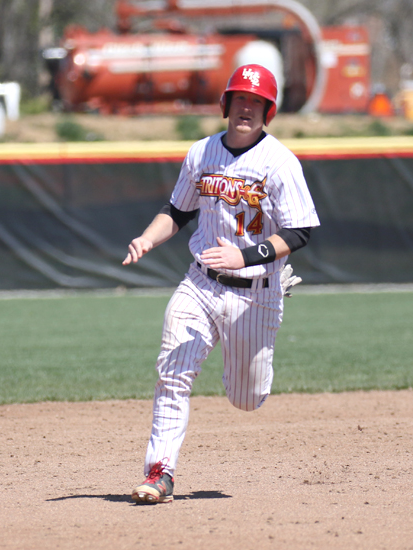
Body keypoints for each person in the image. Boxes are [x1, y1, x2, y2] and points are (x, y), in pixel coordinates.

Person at [121, 64, 320, 504]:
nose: (246, 108)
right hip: (200, 284)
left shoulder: (281, 162)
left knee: (246, 400)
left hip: (254, 291)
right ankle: (160, 473)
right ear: (226, 105)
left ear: (268, 111)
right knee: (172, 374)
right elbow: (176, 212)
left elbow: (300, 231)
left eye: (256, 101)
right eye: (240, 99)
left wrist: (245, 256)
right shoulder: (201, 153)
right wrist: (147, 238)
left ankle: (273, 302)